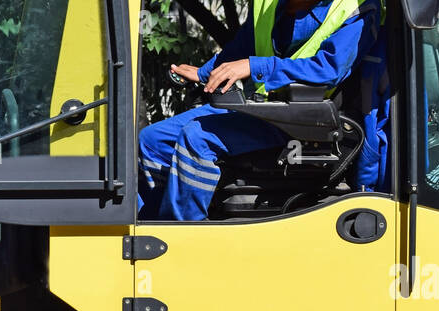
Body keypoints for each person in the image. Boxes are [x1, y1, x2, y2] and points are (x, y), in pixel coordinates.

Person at [139, 0, 387, 221]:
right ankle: (148, 229)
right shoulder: (265, 5)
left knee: (198, 138)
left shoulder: (358, 7)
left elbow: (328, 69)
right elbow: (241, 49)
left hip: (307, 122)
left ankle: (181, 236)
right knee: (152, 140)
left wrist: (257, 66)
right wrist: (205, 73)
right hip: (262, 108)